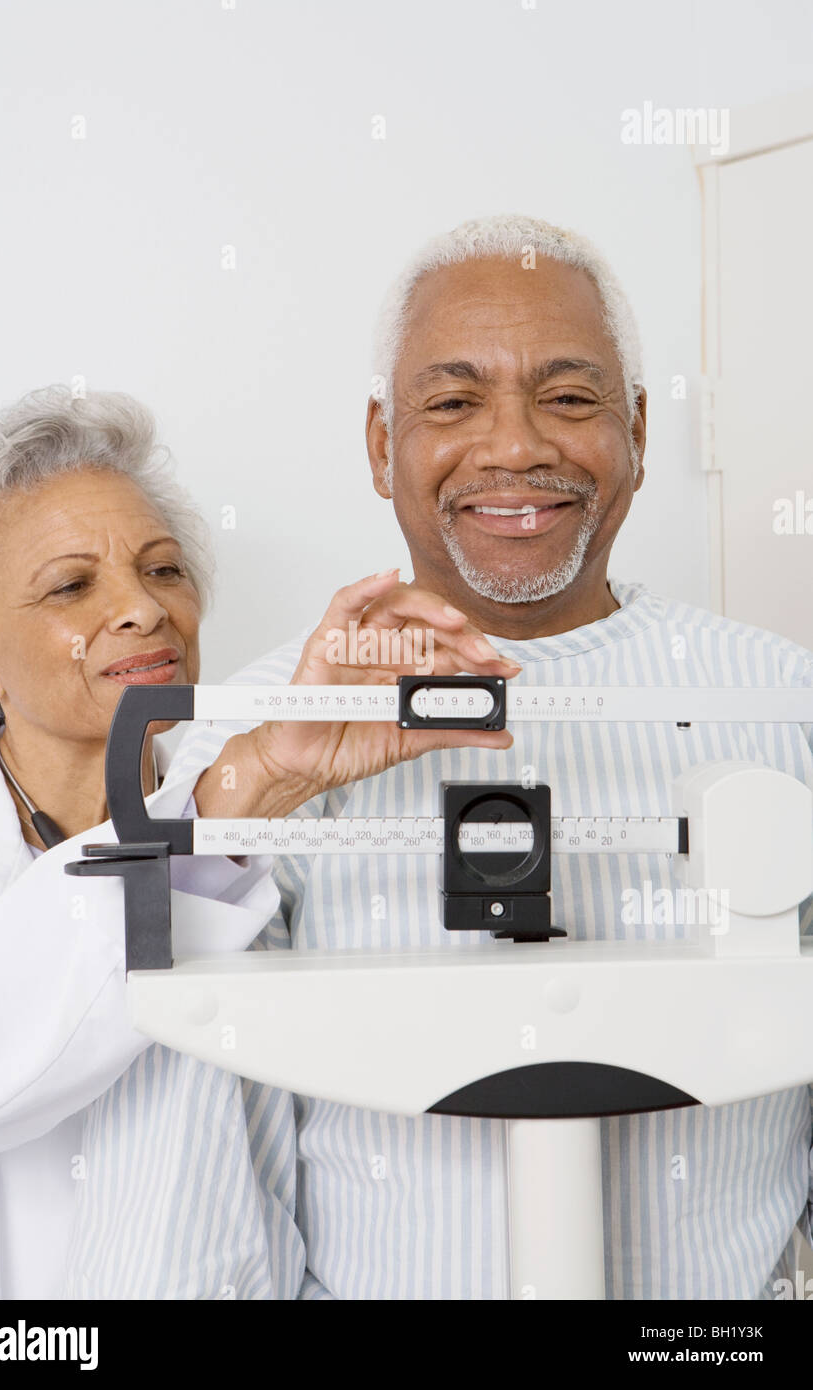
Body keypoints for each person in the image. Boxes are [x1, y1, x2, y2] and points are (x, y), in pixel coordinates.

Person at [70, 214, 813, 1301]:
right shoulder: (266, 730)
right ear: (380, 444)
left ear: (639, 431)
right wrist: (265, 781)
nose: (513, 447)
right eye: (453, 402)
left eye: (566, 397)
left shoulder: (777, 701)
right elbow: (183, 1165)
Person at [0, 384, 519, 1300]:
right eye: (71, 586)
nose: (141, 609)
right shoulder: (224, 809)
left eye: (164, 570)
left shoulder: (253, 833)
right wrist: (240, 795)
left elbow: (309, 1176)